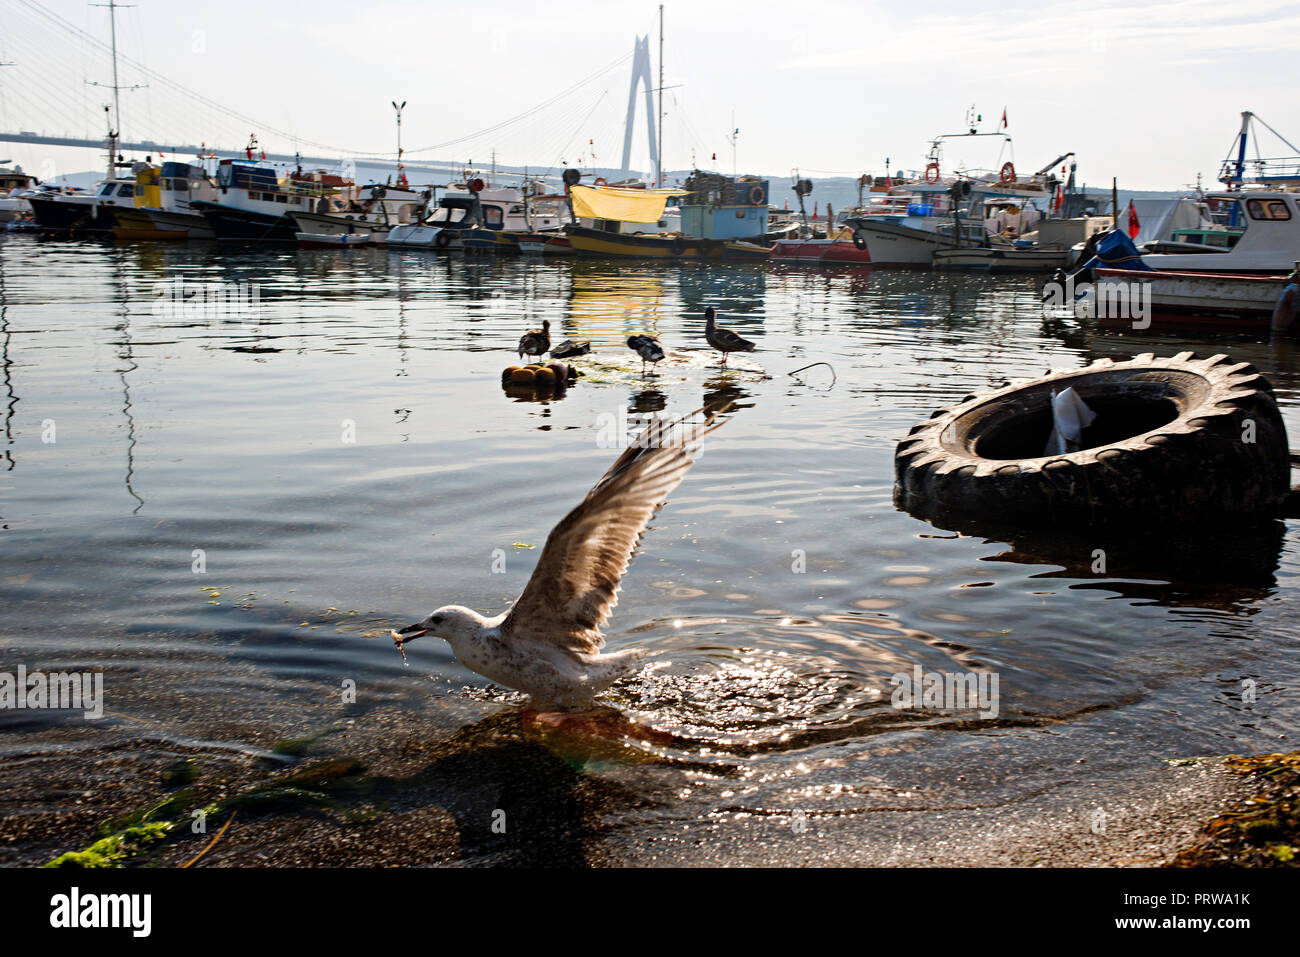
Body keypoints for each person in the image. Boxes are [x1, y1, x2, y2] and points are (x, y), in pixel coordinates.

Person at [1272, 266, 1300, 332]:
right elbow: (1288, 305)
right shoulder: (1292, 290)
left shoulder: (1290, 289)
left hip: (1280, 324)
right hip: (1280, 325)